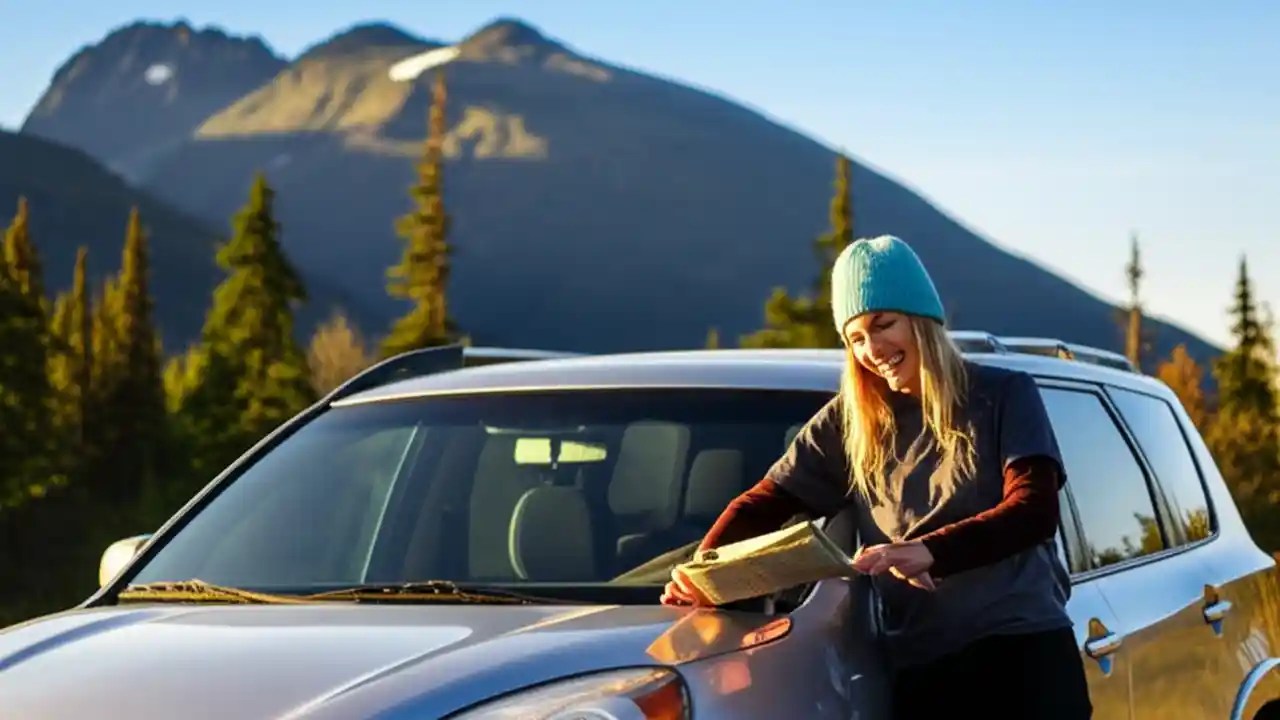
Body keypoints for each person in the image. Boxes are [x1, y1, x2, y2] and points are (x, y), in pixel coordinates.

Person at [661, 235, 1093, 719]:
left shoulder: (1004, 394)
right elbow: (764, 502)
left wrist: (932, 551)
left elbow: (1034, 510)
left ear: (922, 319)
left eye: (884, 324)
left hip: (1022, 656)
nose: (873, 348)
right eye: (856, 338)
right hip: (924, 666)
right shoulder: (850, 421)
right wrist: (702, 572)